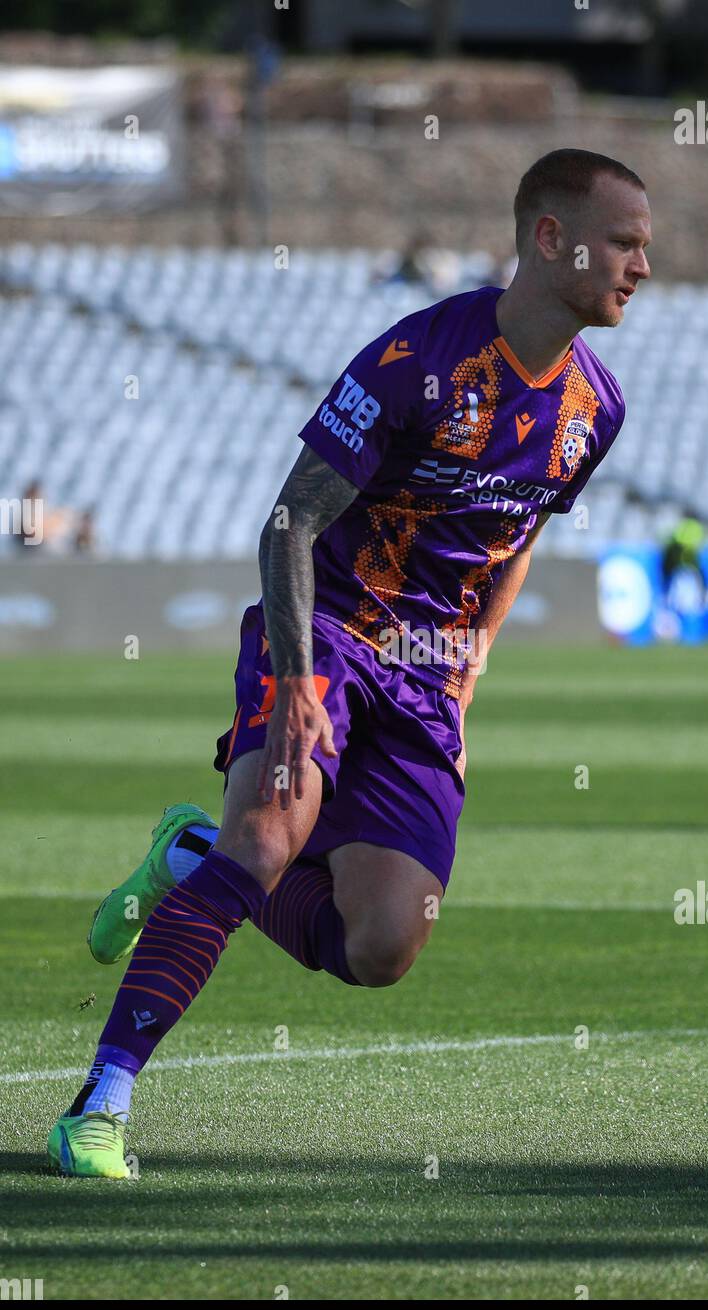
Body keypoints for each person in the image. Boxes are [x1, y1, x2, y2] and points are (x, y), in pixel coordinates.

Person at [47, 147, 651, 1178]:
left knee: (377, 947)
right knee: (268, 839)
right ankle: (99, 1102)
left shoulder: (596, 409)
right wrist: (290, 687)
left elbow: (520, 532)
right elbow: (287, 524)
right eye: (625, 241)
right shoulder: (415, 359)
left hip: (425, 674)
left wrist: (470, 668)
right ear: (550, 238)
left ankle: (182, 857)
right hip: (326, 629)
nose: (643, 263)